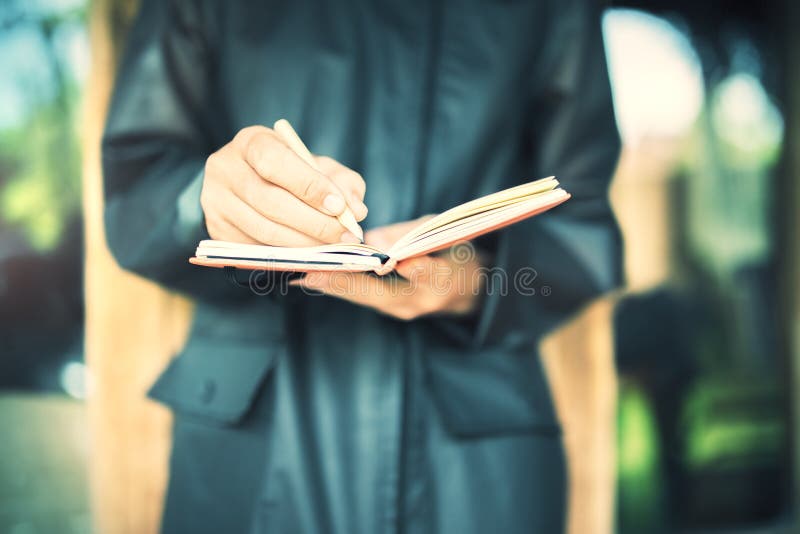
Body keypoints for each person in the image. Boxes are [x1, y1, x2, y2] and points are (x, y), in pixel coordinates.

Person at [102, 0, 621, 532]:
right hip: (253, 450)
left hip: (478, 470)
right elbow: (136, 193)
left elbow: (582, 226)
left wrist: (473, 280)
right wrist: (208, 201)